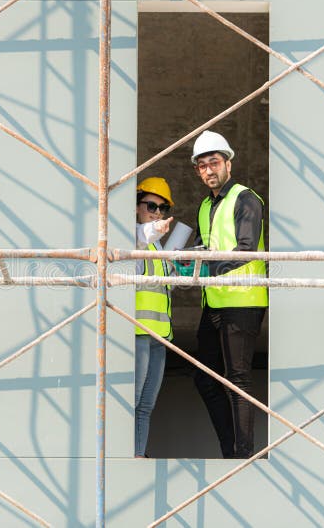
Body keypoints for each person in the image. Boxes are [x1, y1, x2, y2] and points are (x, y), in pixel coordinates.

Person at [190, 130, 267, 459]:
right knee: (205, 377)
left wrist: (211, 269)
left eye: (214, 163)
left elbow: (247, 249)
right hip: (215, 302)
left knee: (237, 378)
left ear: (228, 164)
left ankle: (243, 454)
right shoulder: (205, 206)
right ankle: (229, 448)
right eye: (202, 166)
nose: (209, 170)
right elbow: (205, 248)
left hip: (243, 301)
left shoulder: (245, 198)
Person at [134, 177, 174, 458]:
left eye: (162, 209)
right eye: (151, 205)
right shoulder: (132, 236)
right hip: (137, 331)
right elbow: (139, 235)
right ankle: (123, 455)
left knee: (146, 405)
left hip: (160, 336)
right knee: (132, 400)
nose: (157, 212)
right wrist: (151, 230)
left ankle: (138, 454)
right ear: (137, 207)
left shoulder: (159, 248)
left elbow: (166, 286)